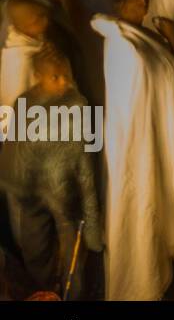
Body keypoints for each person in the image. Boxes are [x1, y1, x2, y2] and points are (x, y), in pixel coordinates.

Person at [91, 0, 174, 300]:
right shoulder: (124, 48)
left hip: (156, 141)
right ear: (120, 4)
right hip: (138, 150)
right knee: (140, 207)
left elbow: (166, 77)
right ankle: (138, 283)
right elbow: (145, 95)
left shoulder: (142, 36)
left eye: (145, 0)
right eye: (137, 2)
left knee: (155, 203)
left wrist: (170, 44)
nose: (144, 7)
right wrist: (173, 47)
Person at [0, 45, 102, 299]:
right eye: (55, 77)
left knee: (74, 257)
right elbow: (16, 156)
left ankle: (72, 298)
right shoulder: (25, 103)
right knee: (36, 251)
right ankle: (44, 291)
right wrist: (20, 191)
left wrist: (91, 221)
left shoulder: (77, 105)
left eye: (66, 74)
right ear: (38, 77)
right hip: (30, 194)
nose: (64, 81)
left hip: (66, 195)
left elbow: (84, 163)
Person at [0, 0, 49, 112]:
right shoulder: (20, 61)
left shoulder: (34, 40)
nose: (46, 20)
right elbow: (15, 99)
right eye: (40, 18)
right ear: (26, 26)